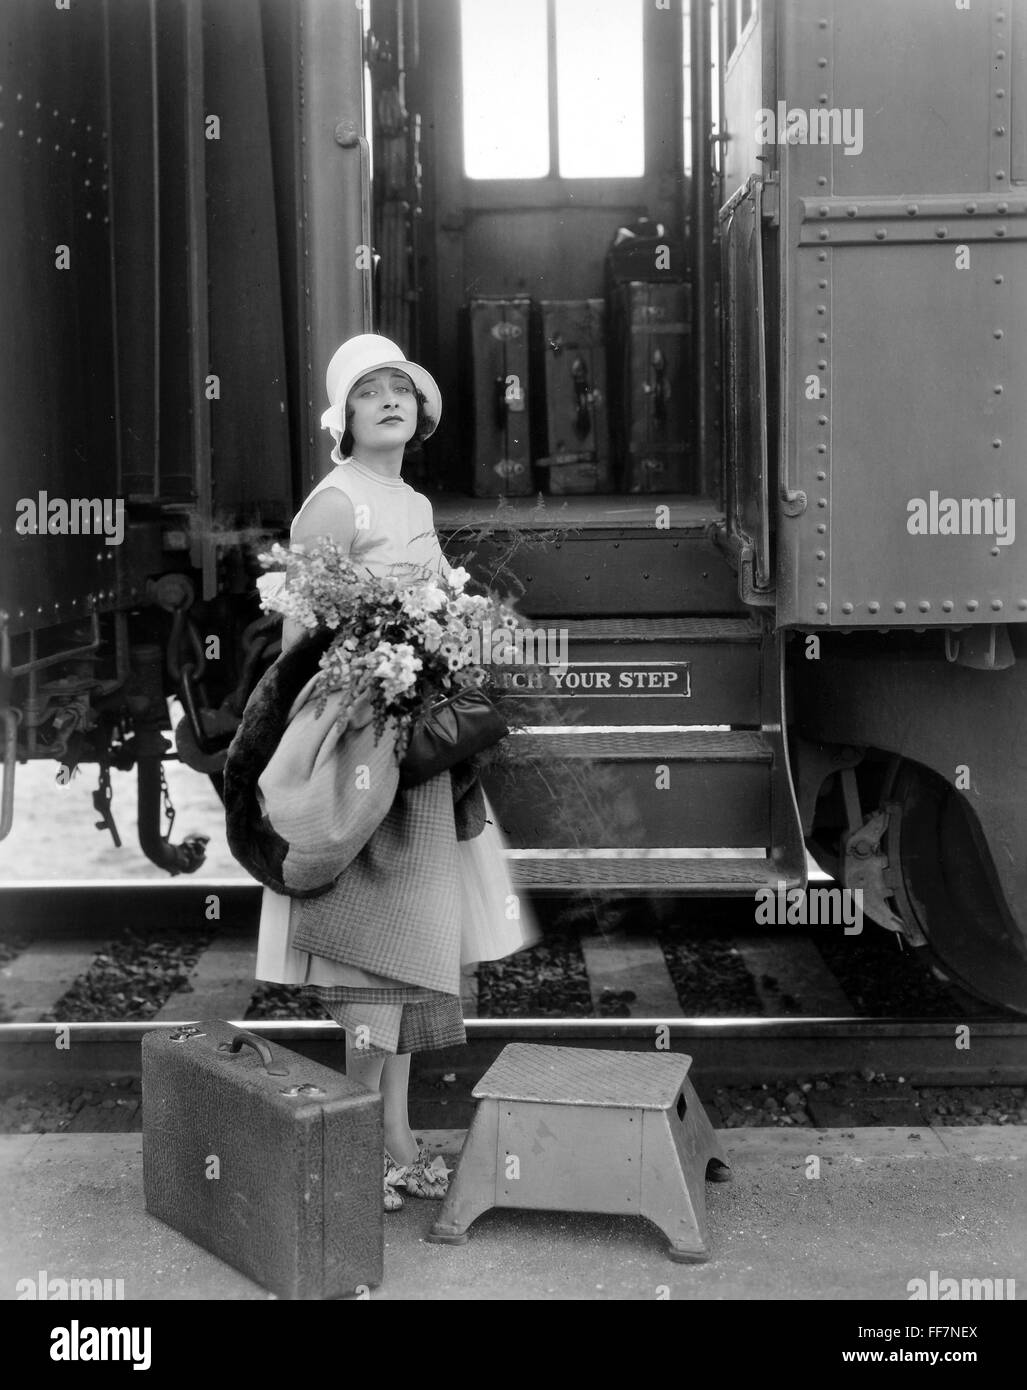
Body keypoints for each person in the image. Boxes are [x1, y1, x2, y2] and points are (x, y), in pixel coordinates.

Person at [254, 334, 539, 1211]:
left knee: (414, 950)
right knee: (375, 955)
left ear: (419, 414)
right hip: (359, 737)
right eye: (370, 391)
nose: (389, 402)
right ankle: (366, 1150)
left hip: (414, 735)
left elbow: (427, 595)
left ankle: (397, 1138)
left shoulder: (408, 497)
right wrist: (375, 671)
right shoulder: (334, 502)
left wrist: (454, 632)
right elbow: (300, 637)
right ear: (344, 416)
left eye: (402, 392)